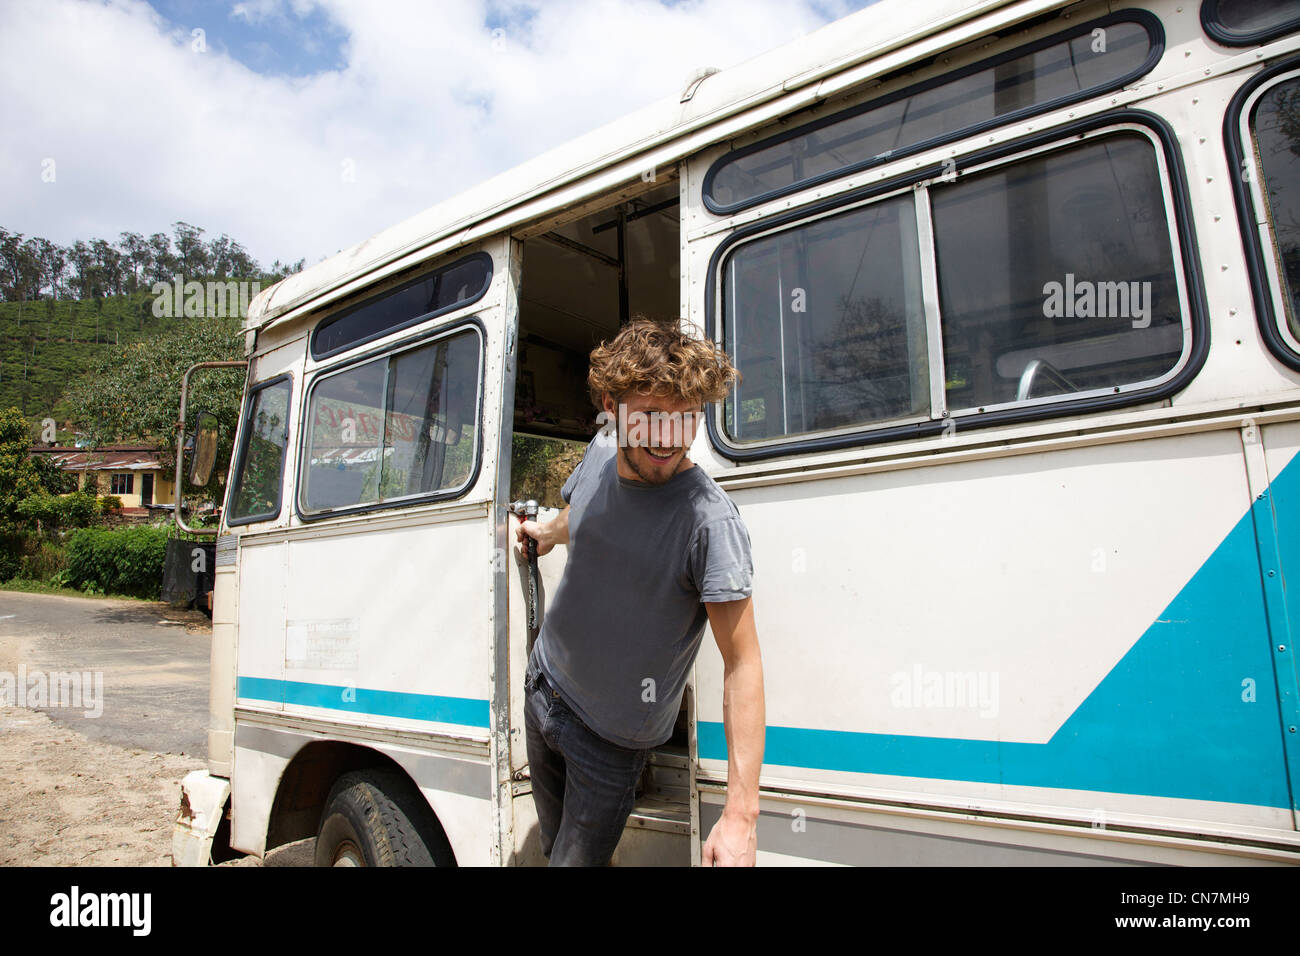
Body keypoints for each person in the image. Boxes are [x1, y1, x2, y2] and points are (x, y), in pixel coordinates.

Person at [514, 316, 765, 867]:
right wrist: (545, 534)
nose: (668, 440)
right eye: (652, 416)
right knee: (551, 845)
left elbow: (742, 664)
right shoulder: (605, 450)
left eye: (686, 420)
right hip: (543, 691)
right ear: (612, 405)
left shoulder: (709, 523)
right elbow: (582, 513)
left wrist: (740, 816)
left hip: (609, 744)